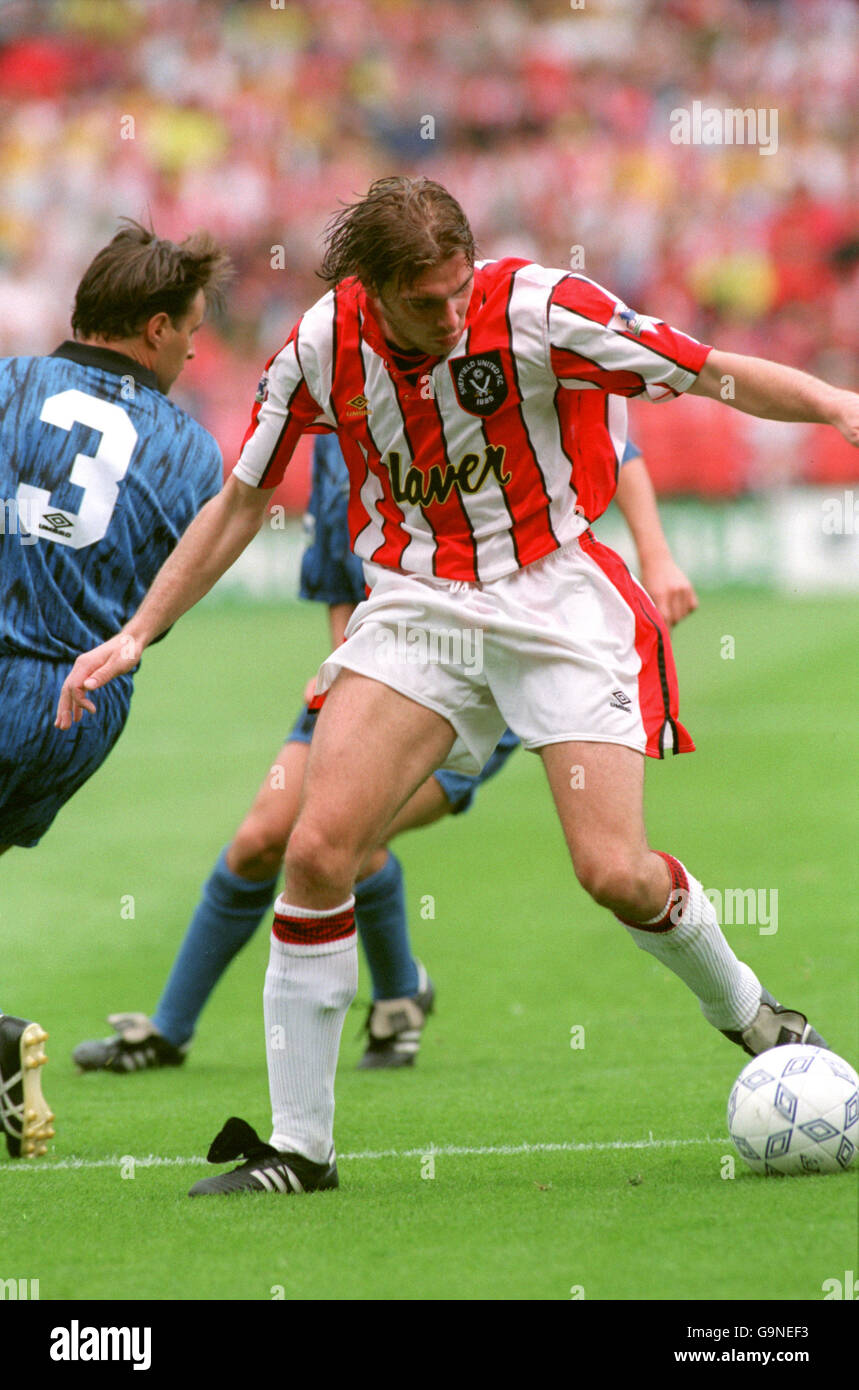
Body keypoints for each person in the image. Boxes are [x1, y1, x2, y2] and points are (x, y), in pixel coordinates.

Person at [58, 177, 854, 1199]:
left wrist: (834, 403)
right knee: (313, 846)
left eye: (456, 289)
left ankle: (749, 1012)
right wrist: (139, 630)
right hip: (420, 607)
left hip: (557, 601)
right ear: (373, 292)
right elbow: (241, 500)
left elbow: (703, 373)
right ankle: (300, 1149)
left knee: (613, 872)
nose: (450, 311)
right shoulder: (318, 346)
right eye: (425, 300)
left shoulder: (537, 307)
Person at [71, 429, 696, 1075]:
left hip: (489, 662)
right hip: (382, 662)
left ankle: (394, 1000)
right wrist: (341, 659)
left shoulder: (461, 356)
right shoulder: (329, 395)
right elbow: (335, 562)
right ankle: (173, 1031)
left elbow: (610, 434)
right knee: (267, 837)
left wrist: (657, 556)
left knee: (341, 838)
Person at [0, 219, 231, 1158]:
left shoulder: (9, 385)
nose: (194, 345)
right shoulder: (191, 453)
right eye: (189, 329)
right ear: (151, 326)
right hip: (80, 703)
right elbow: (159, 614)